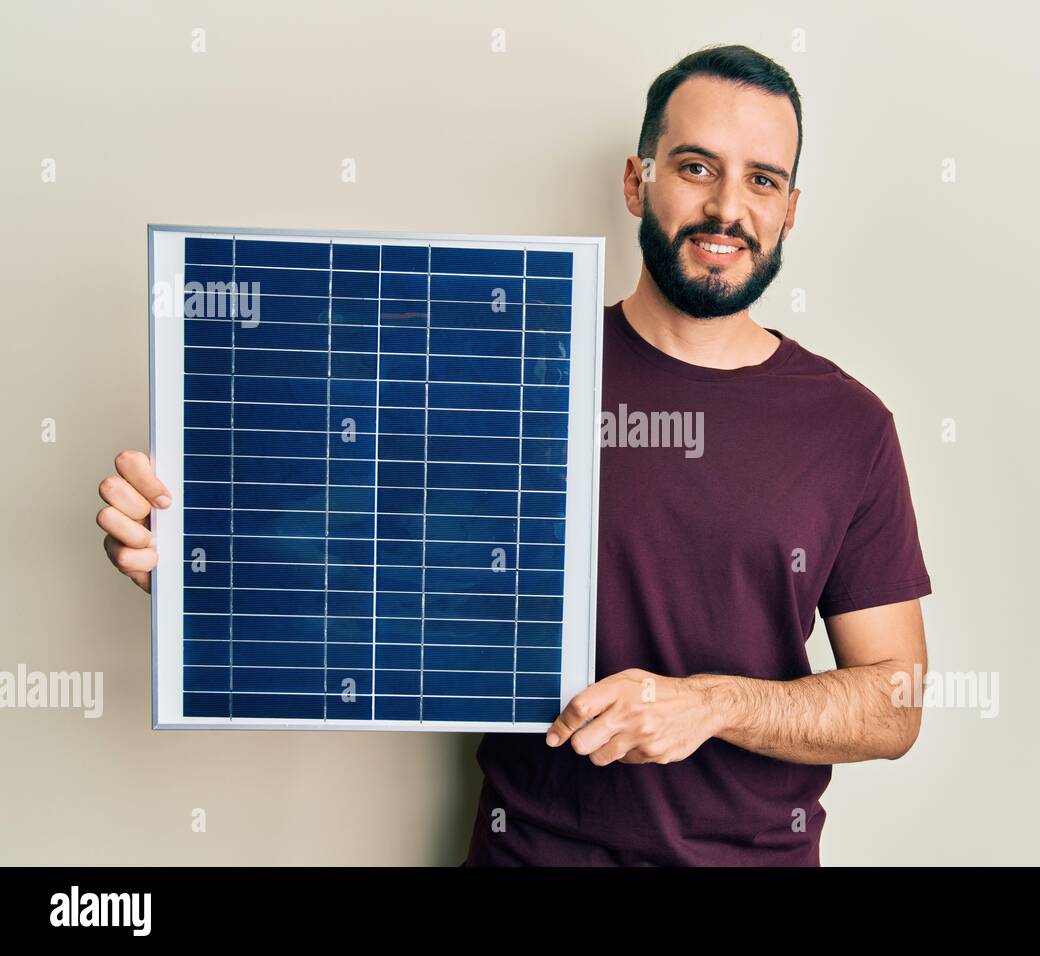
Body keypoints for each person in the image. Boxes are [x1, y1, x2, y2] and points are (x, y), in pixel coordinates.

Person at [98, 44, 932, 866]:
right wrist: (198, 561)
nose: (726, 208)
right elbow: (370, 563)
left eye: (762, 179)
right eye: (695, 166)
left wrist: (709, 706)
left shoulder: (848, 425)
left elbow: (893, 704)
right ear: (638, 182)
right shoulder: (515, 371)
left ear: (790, 209)